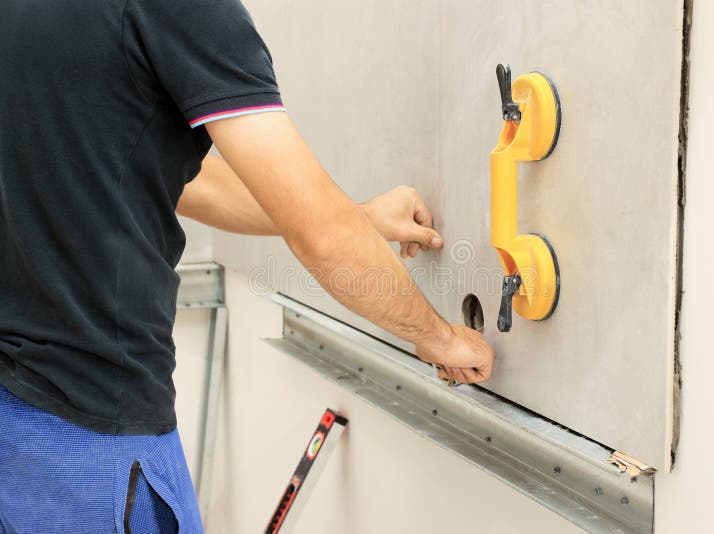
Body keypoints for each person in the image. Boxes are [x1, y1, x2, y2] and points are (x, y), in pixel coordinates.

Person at [0, 0, 494, 531]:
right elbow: (323, 236)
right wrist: (438, 337)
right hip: (92, 444)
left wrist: (361, 216)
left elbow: (160, 173)